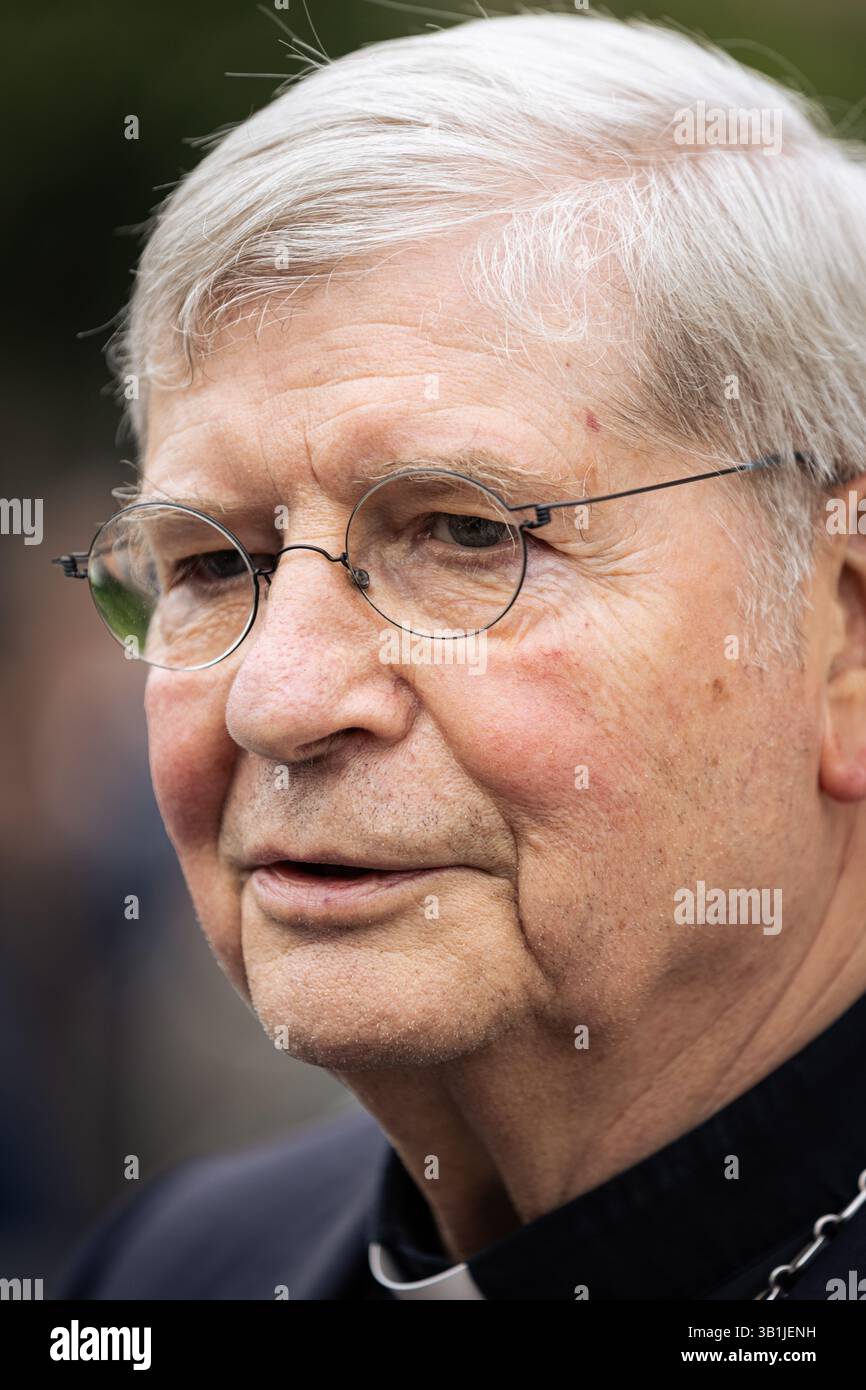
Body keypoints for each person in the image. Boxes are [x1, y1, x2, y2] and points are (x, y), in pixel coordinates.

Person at [53, 10, 866, 1300]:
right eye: (211, 563)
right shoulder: (176, 1269)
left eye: (465, 535)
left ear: (845, 638)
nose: (280, 698)